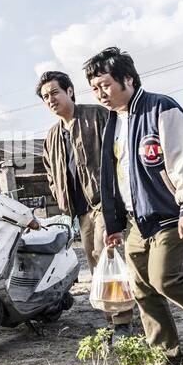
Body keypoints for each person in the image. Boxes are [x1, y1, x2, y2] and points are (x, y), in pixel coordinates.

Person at [86, 47, 183, 365]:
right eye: (94, 88)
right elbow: (113, 176)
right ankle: (169, 362)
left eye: (104, 84)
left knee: (167, 279)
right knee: (142, 290)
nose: (100, 93)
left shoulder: (161, 108)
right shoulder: (114, 123)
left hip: (170, 212)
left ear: (127, 78)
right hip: (134, 221)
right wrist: (113, 223)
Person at [38, 70, 134, 338]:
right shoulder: (52, 135)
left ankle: (122, 321)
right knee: (94, 262)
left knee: (107, 253)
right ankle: (113, 319)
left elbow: (119, 151)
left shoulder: (97, 116)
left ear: (69, 91)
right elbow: (49, 170)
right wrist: (59, 194)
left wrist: (118, 194)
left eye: (55, 92)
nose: (51, 99)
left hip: (104, 200)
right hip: (80, 210)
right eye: (46, 97)